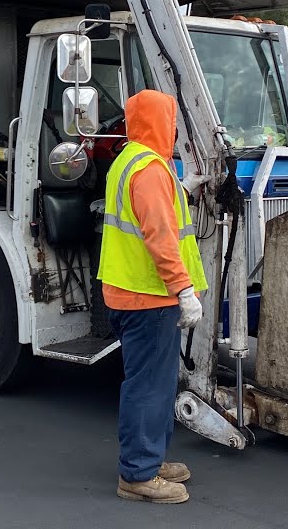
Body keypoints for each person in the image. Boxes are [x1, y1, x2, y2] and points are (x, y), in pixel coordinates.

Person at [97, 88, 208, 504]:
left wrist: (179, 186)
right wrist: (184, 291)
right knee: (148, 387)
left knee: (157, 384)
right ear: (162, 123)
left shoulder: (132, 161)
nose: (175, 129)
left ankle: (151, 459)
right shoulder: (149, 169)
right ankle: (138, 476)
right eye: (172, 120)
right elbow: (160, 236)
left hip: (131, 292)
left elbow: (145, 209)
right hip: (149, 296)